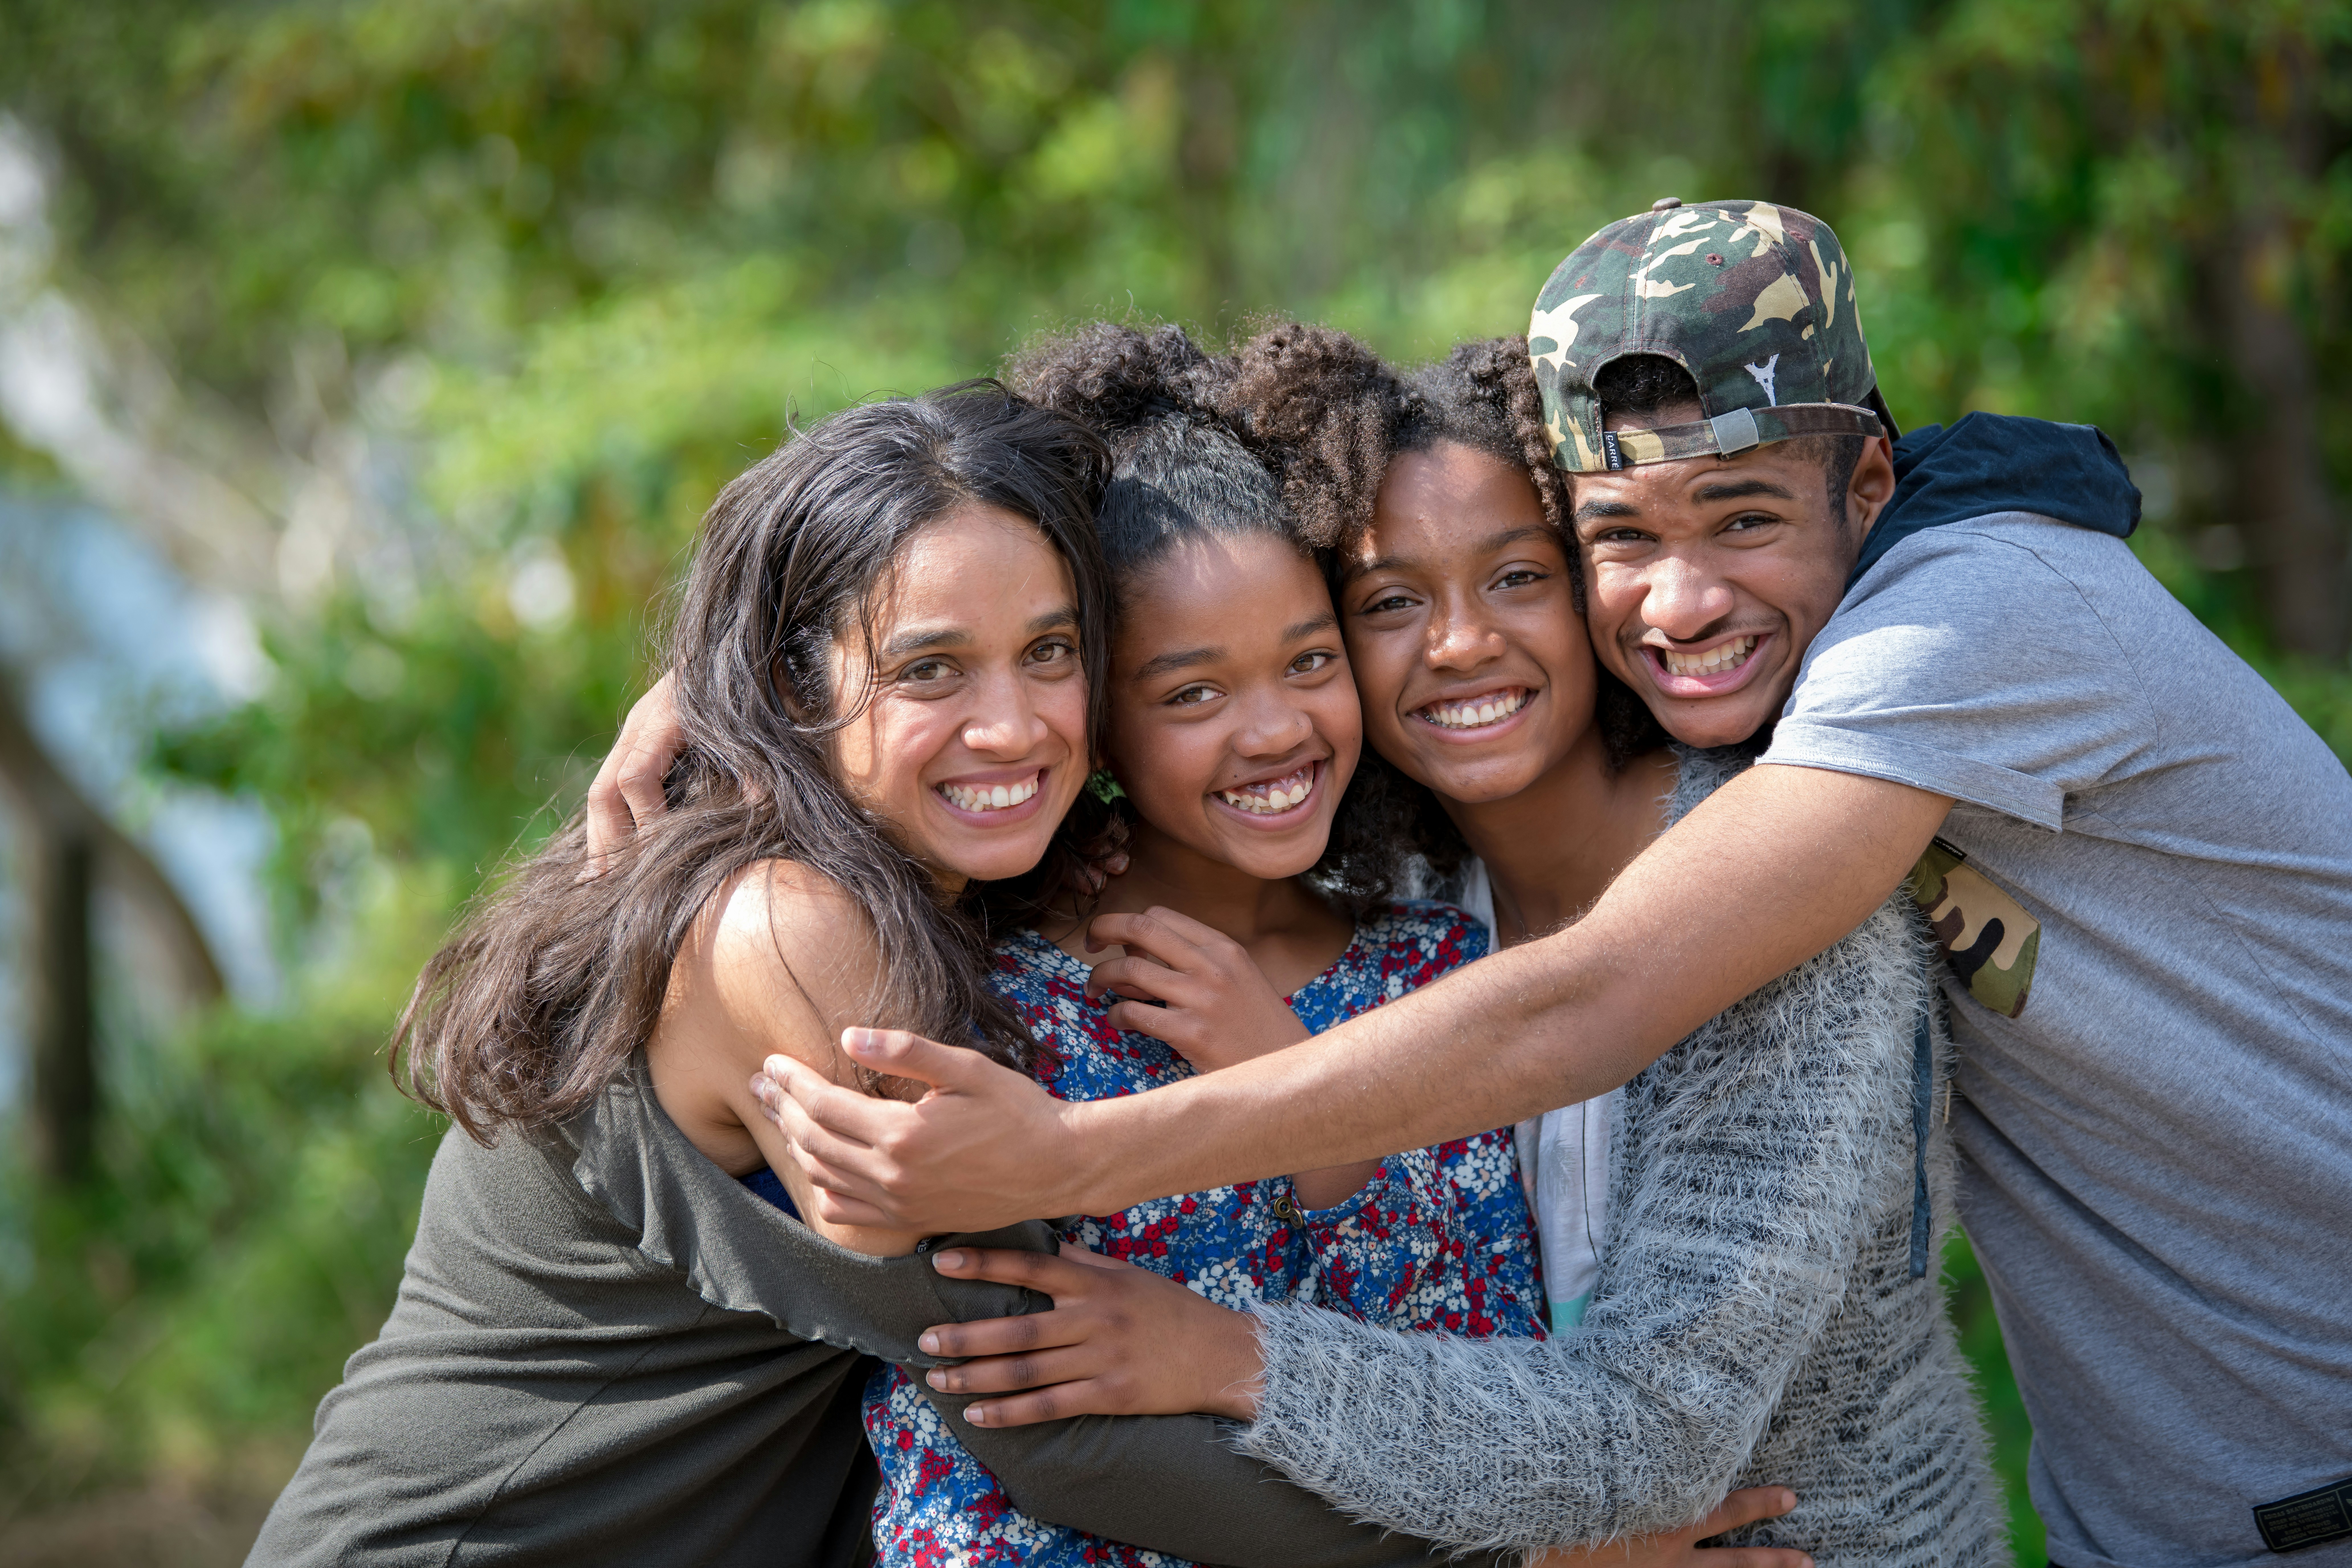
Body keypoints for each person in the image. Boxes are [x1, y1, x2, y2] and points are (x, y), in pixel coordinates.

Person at [745, 204, 2352, 1568]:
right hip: (2157, 1499)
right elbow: (1100, 561)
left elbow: (1604, 1025)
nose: (1463, 642)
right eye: (1384, 604)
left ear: (1867, 489)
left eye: (1518, 576)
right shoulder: (1384, 880)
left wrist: (1186, 1289)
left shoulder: (1939, 669)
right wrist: (743, 673)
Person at [248, 384, 1551, 1568]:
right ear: (787, 680)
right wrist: (1537, 1551)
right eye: (933, 668)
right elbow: (1050, 1424)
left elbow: (1138, 459)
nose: (1016, 722)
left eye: (1050, 652)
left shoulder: (958, 884)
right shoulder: (794, 926)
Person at [859, 322, 1543, 1567]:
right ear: (1095, 724)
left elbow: (1490, 1375)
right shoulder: (992, 993)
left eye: (1309, 661)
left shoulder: (1432, 974)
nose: (1274, 728)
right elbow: (958, 1447)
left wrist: (1300, 1097)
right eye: (1192, 693)